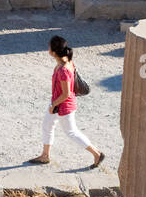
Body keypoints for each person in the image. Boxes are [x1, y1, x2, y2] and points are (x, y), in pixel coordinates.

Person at [28, 36, 106, 167]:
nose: (47, 48)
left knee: (71, 132)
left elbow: (66, 94)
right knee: (47, 126)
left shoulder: (64, 69)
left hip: (63, 105)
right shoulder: (65, 61)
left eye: (49, 47)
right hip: (57, 102)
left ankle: (97, 154)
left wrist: (53, 105)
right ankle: (45, 156)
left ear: (53, 51)